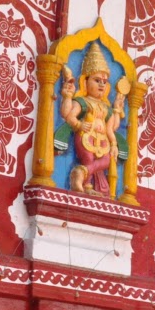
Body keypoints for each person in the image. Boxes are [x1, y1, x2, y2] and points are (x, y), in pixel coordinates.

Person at [55, 43, 127, 196]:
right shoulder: (83, 102)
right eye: (97, 80)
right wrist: (79, 124)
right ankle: (86, 184)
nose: (101, 84)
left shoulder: (105, 107)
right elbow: (68, 115)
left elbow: (112, 127)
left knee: (108, 160)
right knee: (87, 157)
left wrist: (116, 110)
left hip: (102, 140)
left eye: (104, 81)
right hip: (85, 136)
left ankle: (81, 173)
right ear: (84, 82)